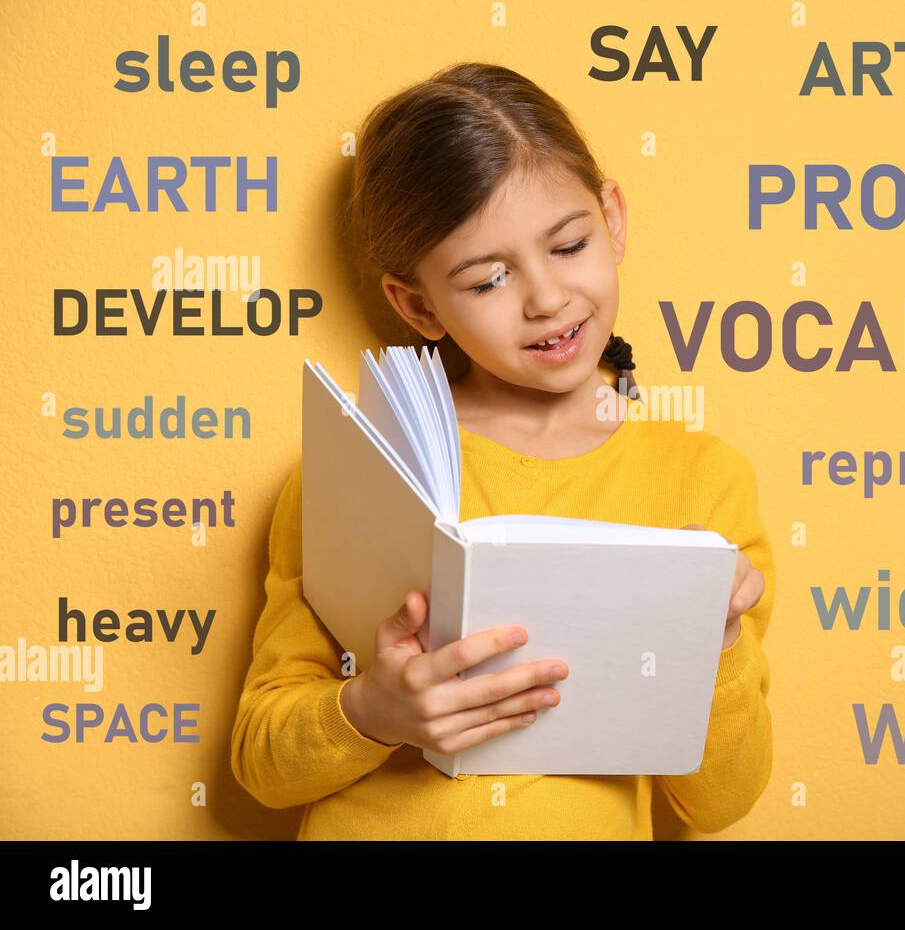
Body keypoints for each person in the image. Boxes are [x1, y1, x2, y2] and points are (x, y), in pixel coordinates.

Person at [230, 62, 775, 839]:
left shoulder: (702, 484)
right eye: (488, 280)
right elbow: (261, 763)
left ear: (613, 219)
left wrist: (715, 639)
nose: (546, 299)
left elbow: (718, 803)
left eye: (569, 245)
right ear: (418, 305)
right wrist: (373, 712)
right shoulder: (354, 472)